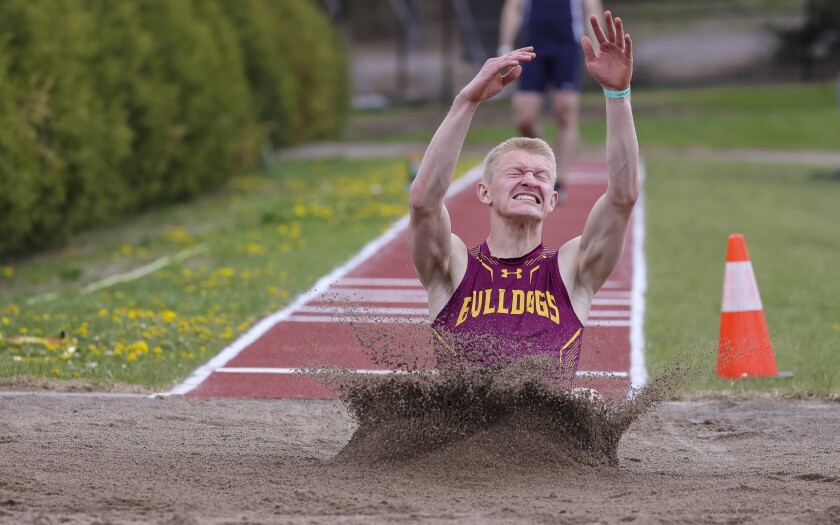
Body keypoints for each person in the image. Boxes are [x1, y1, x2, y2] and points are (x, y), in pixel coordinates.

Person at [409, 11, 637, 385]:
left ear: (552, 200)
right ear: (484, 191)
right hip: (465, 420)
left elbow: (622, 199)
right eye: (515, 173)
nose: (530, 180)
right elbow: (423, 202)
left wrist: (618, 96)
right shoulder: (454, 265)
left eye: (542, 176)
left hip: (546, 422)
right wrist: (467, 100)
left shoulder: (571, 269)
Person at [498, 0, 604, 203]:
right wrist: (505, 45)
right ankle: (548, 158)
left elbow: (591, 7)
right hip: (533, 46)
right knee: (524, 117)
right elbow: (513, 7)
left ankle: (559, 181)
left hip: (567, 46)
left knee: (565, 112)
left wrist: (596, 49)